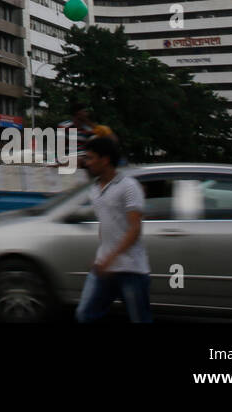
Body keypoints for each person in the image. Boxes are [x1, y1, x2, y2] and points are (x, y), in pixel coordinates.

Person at [75, 135, 151, 323]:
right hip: (103, 268)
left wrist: (110, 258)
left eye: (91, 158)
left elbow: (135, 229)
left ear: (105, 159)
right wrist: (102, 256)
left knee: (140, 319)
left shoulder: (129, 187)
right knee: (85, 315)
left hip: (130, 269)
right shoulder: (95, 189)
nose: (87, 163)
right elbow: (106, 222)